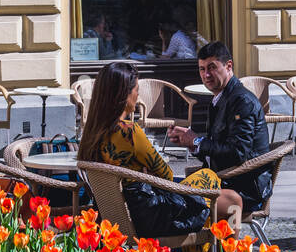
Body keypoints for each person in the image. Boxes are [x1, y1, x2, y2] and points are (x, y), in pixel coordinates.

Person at [82, 62, 244, 239]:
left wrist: (141, 172)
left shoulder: (92, 133)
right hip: (153, 216)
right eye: (136, 89)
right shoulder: (129, 132)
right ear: (124, 95)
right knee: (228, 196)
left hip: (121, 215)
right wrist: (146, 172)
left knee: (216, 195)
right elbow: (166, 175)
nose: (138, 95)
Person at [167, 41, 273, 216]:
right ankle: (205, 243)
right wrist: (192, 144)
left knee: (175, 202)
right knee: (168, 190)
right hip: (225, 180)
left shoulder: (241, 101)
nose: (206, 74)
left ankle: (216, 242)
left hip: (243, 191)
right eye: (202, 69)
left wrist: (197, 140)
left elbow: (238, 153)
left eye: (212, 67)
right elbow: (218, 150)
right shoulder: (222, 99)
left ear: (228, 65)